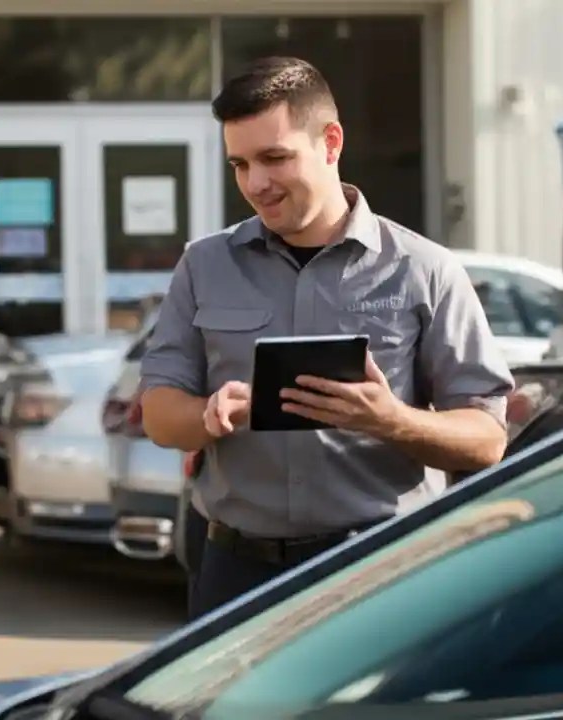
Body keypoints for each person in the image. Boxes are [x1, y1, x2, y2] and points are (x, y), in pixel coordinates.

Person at [140, 57, 515, 619]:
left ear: (331, 142)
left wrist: (390, 419)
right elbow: (158, 413)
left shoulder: (424, 269)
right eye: (239, 165)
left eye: (274, 158)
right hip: (236, 573)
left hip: (380, 569)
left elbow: (486, 438)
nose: (256, 184)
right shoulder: (203, 266)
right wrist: (208, 415)